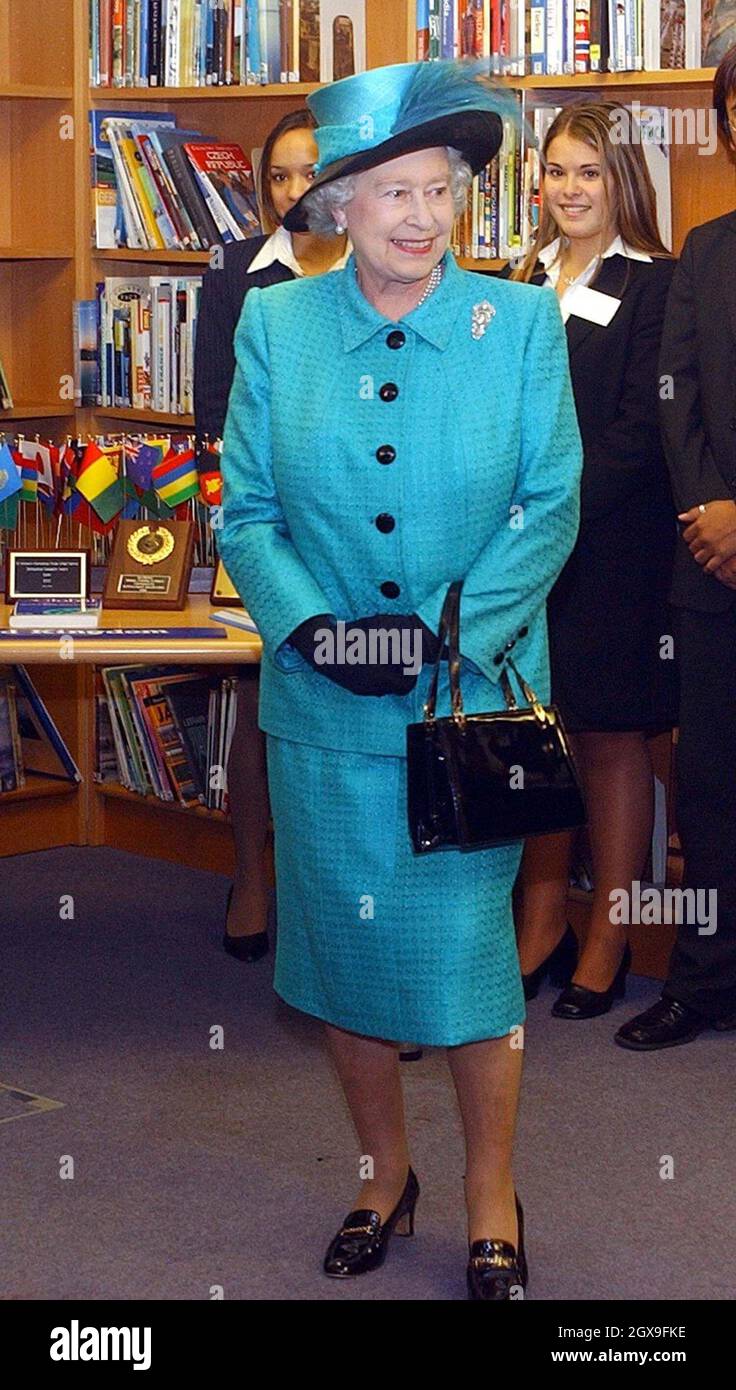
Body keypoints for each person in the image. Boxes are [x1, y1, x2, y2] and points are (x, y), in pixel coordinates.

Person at [219, 59, 582, 1299]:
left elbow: (550, 503)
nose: (421, 216)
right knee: (340, 962)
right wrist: (313, 630)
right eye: (390, 193)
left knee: (470, 966)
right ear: (333, 208)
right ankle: (384, 1169)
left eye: (439, 190)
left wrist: (443, 636)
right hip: (322, 713)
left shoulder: (518, 322)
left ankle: (490, 1186)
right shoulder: (275, 325)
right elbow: (248, 515)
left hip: (464, 710)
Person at [510, 101, 678, 1021]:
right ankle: (543, 915)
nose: (571, 189)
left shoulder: (657, 283)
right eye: (558, 171)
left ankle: (610, 930)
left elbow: (640, 436)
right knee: (539, 734)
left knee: (611, 739)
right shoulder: (518, 276)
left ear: (624, 182)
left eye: (591, 172)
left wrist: (546, 506)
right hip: (522, 554)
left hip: (613, 550)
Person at [193, 109, 350, 962]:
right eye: (281, 177)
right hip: (267, 530)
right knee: (259, 706)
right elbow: (213, 414)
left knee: (343, 715)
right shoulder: (235, 275)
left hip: (357, 533)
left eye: (312, 174)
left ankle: (332, 899)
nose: (297, 192)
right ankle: (253, 877)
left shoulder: (375, 267)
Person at [616, 49, 736, 1049]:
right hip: (710, 564)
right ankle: (701, 982)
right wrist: (711, 507)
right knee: (707, 785)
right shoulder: (703, 249)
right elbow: (674, 392)